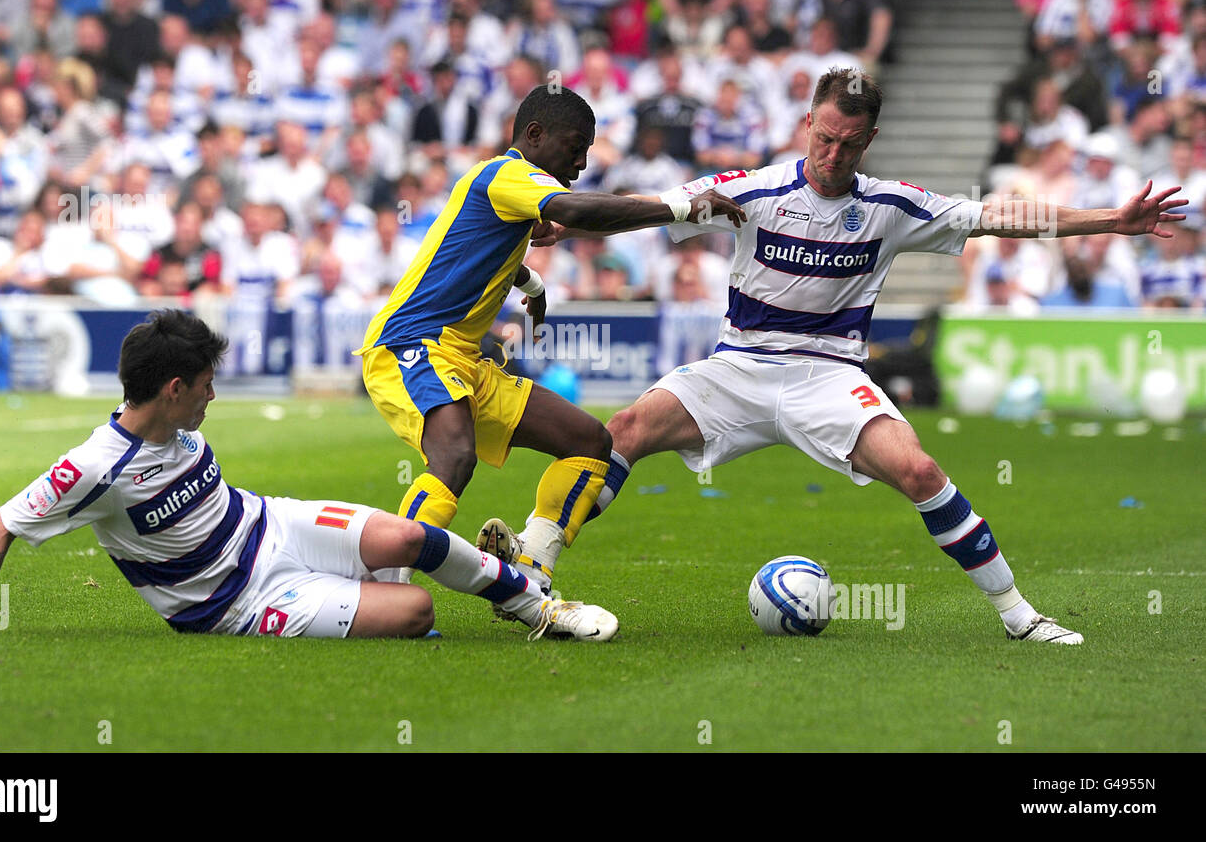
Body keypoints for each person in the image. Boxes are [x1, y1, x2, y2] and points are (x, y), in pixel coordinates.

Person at [482, 69, 1187, 645]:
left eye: (849, 145)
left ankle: (1018, 615)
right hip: (739, 366)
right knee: (624, 431)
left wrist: (1112, 220)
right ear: (805, 127)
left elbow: (998, 216)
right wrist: (560, 229)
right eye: (823, 138)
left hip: (829, 375)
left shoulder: (892, 206)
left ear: (869, 140)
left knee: (918, 468)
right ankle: (533, 571)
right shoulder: (750, 191)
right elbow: (654, 206)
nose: (832, 155)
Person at [0, 310, 617, 642]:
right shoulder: (94, 468)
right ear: (173, 389)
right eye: (207, 386)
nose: (214, 397)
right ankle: (401, 589)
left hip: (273, 521)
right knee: (415, 612)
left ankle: (534, 603)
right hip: (236, 603)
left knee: (407, 538)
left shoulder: (178, 423)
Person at [355, 85, 744, 596]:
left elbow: (480, 251)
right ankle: (383, 585)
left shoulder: (508, 191)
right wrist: (678, 207)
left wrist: (533, 288)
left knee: (590, 442)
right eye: (575, 146)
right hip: (412, 342)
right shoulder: (507, 173)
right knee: (453, 454)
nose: (582, 162)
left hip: (462, 358)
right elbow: (578, 211)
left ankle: (531, 561)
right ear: (534, 135)